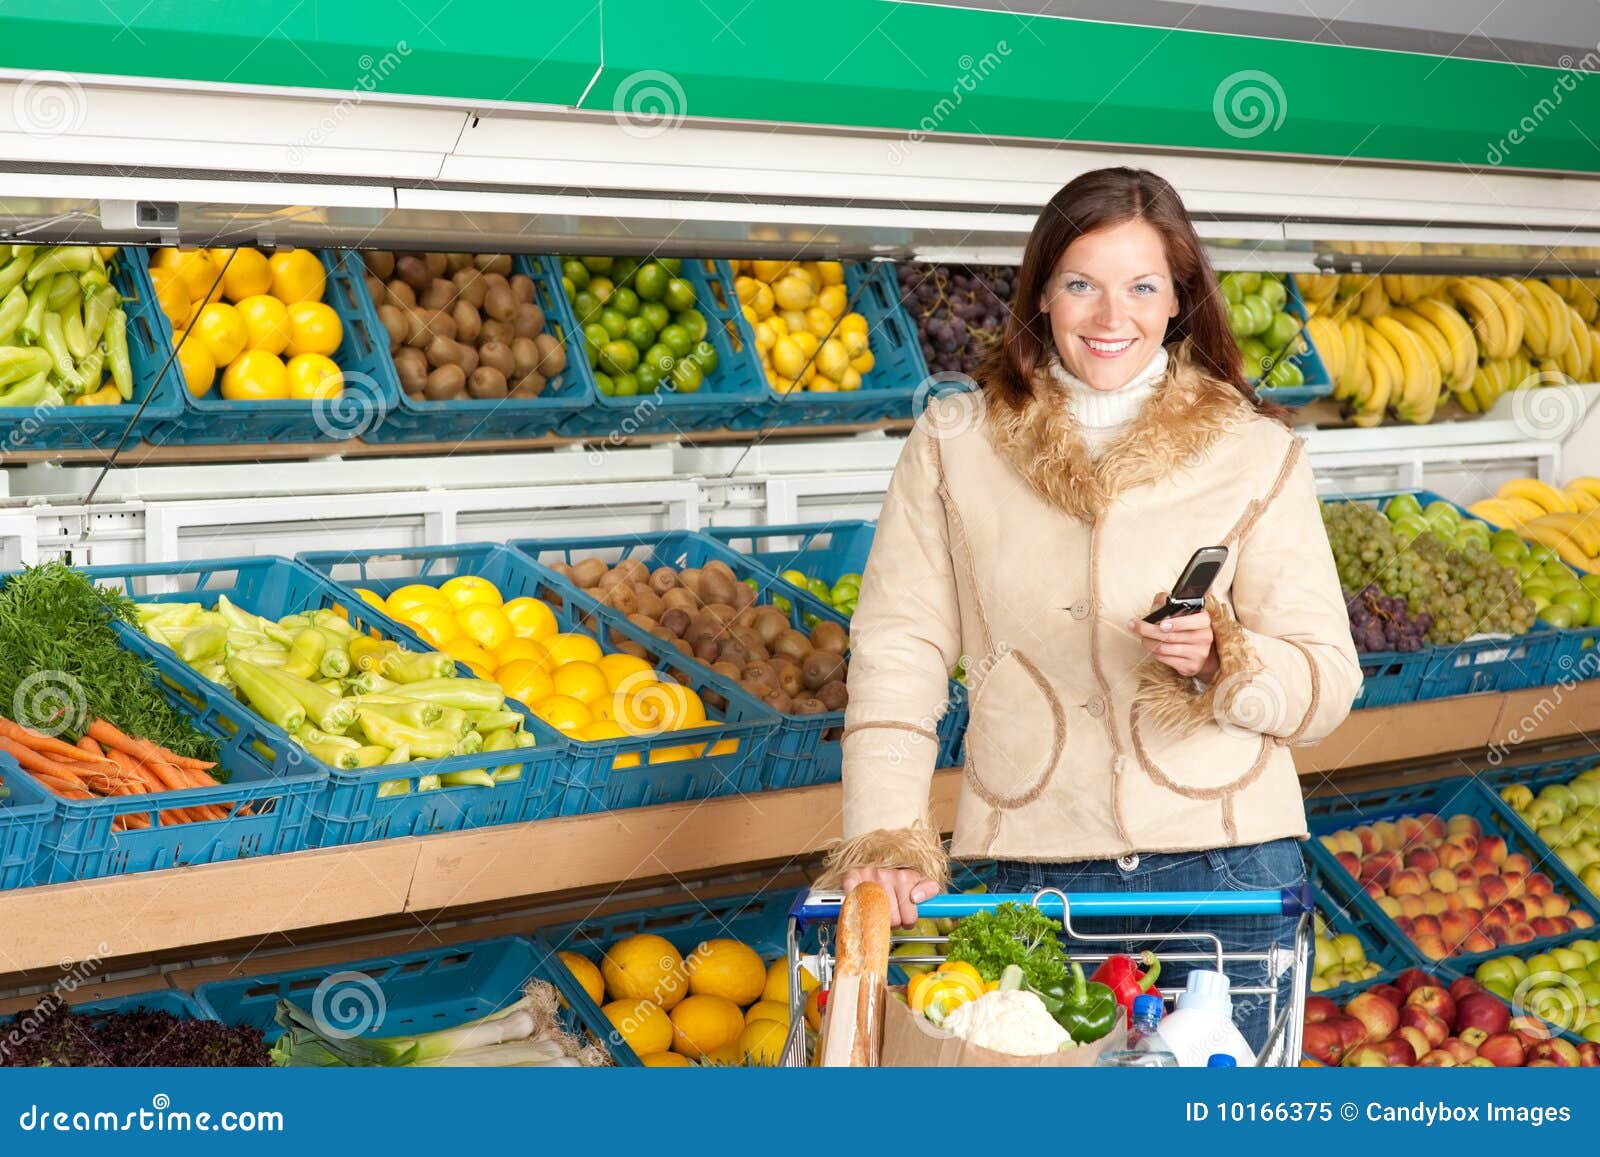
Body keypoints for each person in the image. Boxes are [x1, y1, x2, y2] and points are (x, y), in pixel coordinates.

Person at [817, 166, 1363, 1053]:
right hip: (1029, 867)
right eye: (1081, 284)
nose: (1112, 317)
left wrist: (1228, 660)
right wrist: (886, 831)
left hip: (1226, 868)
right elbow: (900, 647)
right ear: (1041, 293)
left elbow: (1330, 680)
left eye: (1142, 286)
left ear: (1180, 299)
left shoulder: (1257, 450)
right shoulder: (954, 444)